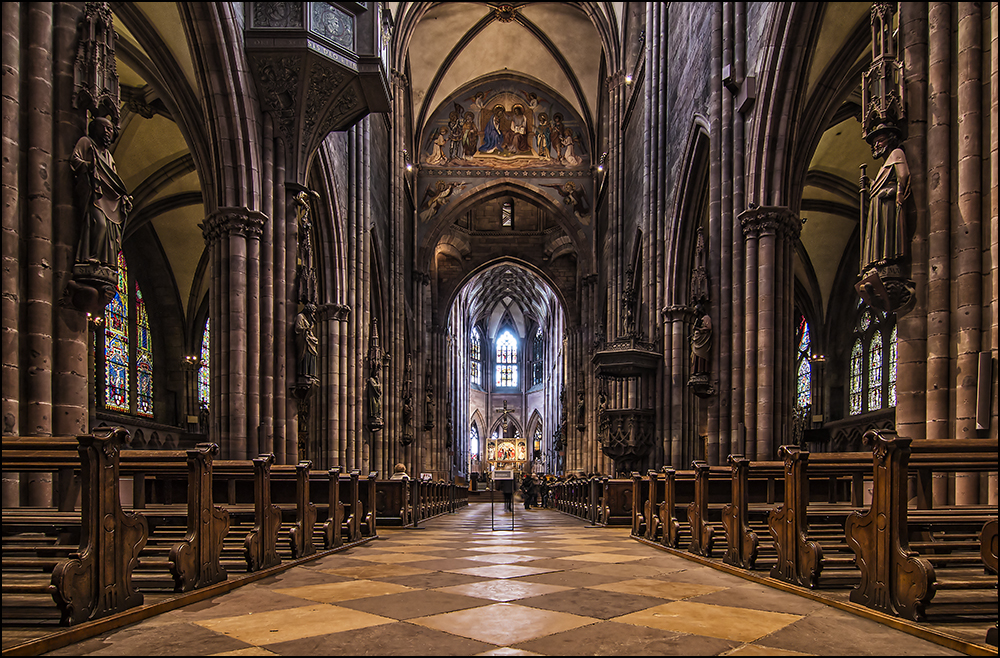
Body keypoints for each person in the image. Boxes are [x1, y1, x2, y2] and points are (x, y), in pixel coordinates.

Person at [72, 116, 132, 267]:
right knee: (99, 224)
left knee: (110, 233)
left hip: (108, 199)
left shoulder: (109, 157)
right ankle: (90, 257)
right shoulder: (86, 143)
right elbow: (75, 160)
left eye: (110, 129)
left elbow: (113, 182)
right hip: (95, 194)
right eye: (103, 127)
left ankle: (106, 262)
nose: (107, 132)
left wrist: (124, 199)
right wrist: (89, 166)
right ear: (94, 128)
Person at [860, 128, 911, 275]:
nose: (876, 145)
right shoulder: (883, 165)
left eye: (880, 141)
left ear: (891, 139)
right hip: (879, 204)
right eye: (874, 143)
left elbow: (903, 176)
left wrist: (896, 192)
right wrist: (870, 183)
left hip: (888, 202)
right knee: (879, 231)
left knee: (888, 229)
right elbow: (882, 183)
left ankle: (888, 257)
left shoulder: (896, 153)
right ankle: (878, 259)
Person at [294, 303, 319, 381]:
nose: (313, 314)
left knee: (312, 355)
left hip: (309, 340)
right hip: (304, 341)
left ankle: (311, 374)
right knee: (305, 356)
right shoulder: (300, 317)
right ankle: (303, 373)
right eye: (313, 312)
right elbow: (298, 328)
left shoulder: (307, 319)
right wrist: (305, 330)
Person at [690, 303, 712, 375]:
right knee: (694, 356)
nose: (694, 312)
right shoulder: (699, 319)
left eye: (695, 310)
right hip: (697, 340)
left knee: (701, 356)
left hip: (703, 340)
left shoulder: (706, 318)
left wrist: (698, 329)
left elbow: (709, 328)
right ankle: (695, 371)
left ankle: (701, 371)